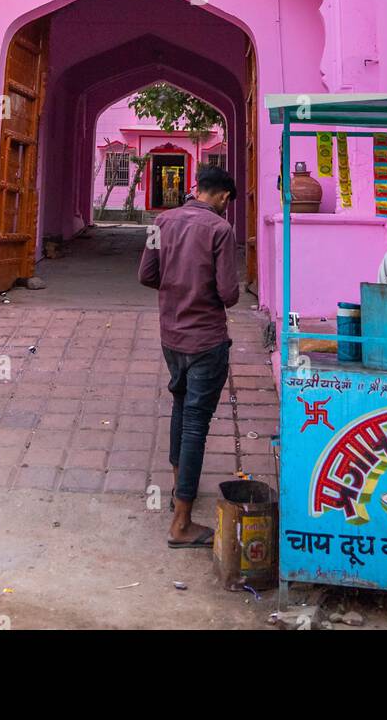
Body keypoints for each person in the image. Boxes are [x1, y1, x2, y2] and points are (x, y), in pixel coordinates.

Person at [138, 164, 240, 548]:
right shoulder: (220, 229)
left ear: (197, 188)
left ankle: (179, 490)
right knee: (196, 422)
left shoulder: (160, 222)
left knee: (181, 409)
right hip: (206, 339)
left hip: (172, 337)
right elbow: (229, 293)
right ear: (224, 197)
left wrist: (177, 286)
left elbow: (146, 275)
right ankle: (181, 523)